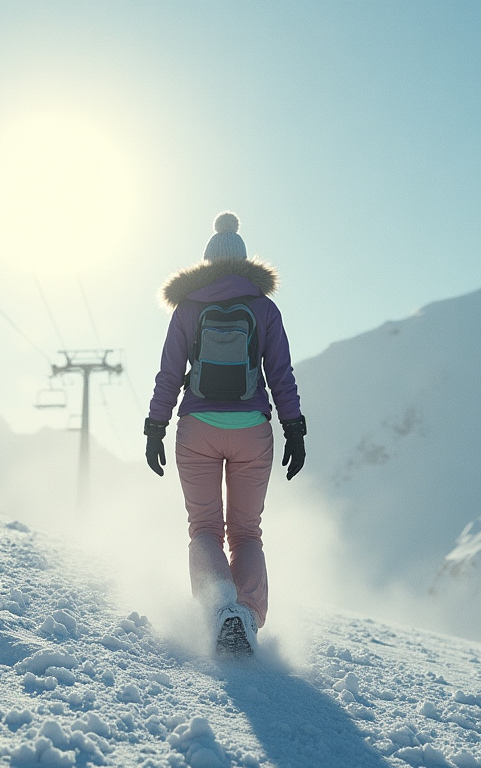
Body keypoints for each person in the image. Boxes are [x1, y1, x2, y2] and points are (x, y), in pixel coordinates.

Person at [144, 211, 305, 656]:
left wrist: (156, 426)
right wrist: (294, 428)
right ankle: (248, 618)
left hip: (197, 429)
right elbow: (280, 373)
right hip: (253, 430)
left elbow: (170, 373)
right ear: (244, 262)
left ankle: (219, 611)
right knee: (246, 533)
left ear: (206, 263)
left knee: (205, 530)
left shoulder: (188, 308)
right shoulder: (264, 308)